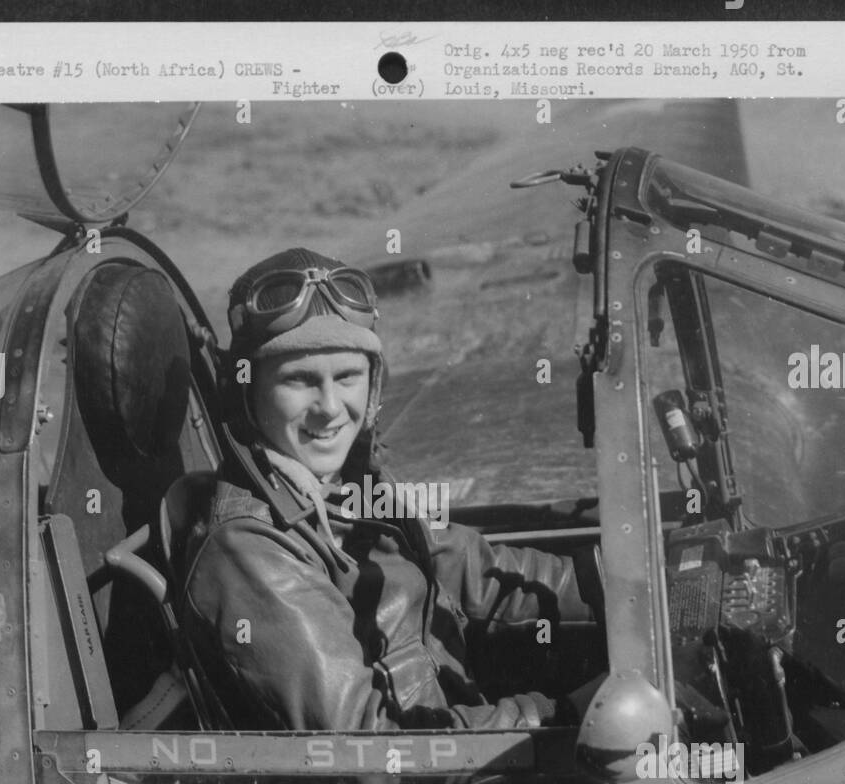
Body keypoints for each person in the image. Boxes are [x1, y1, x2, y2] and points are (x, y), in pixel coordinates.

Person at [176, 247, 604, 735]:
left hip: (453, 734)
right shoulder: (246, 553)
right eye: (298, 380)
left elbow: (473, 570)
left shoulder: (349, 486)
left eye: (348, 377)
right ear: (248, 391)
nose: (330, 408)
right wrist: (569, 718)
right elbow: (376, 750)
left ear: (373, 385)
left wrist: (627, 586)